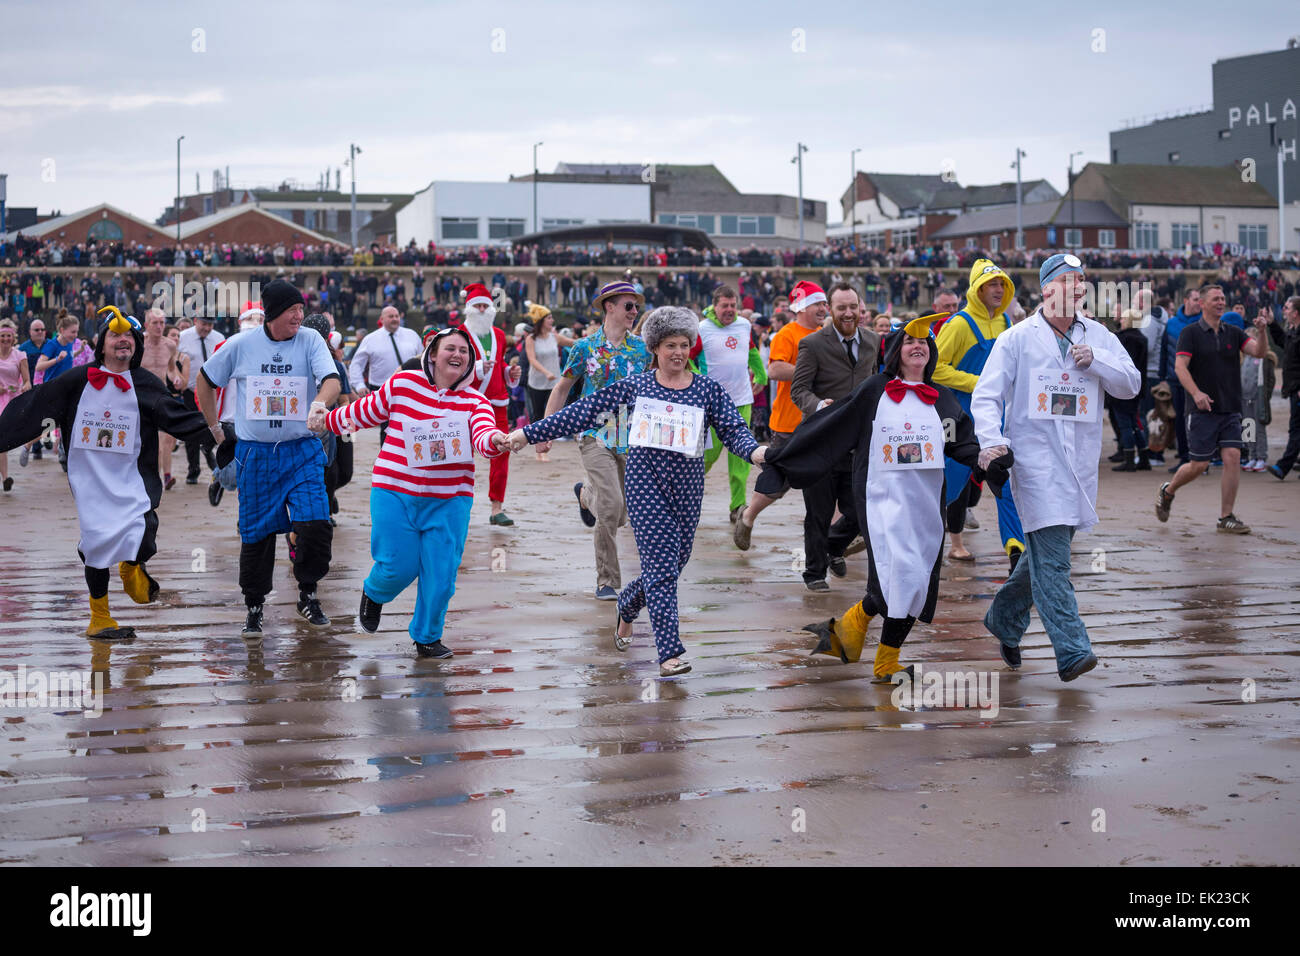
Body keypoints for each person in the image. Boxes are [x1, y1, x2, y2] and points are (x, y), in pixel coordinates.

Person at [508, 306, 766, 677]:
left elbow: (733, 429)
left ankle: (627, 605)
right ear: (655, 349)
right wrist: (527, 433)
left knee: (670, 567)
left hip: (688, 489)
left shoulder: (708, 390)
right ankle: (669, 654)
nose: (677, 352)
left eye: (683, 345)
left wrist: (756, 452)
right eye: (669, 346)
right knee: (661, 568)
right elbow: (582, 411)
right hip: (645, 485)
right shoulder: (638, 386)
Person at [758, 315, 984, 679]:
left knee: (912, 580)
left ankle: (850, 631)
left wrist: (986, 460)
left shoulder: (940, 399)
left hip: (925, 506)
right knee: (903, 576)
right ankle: (885, 661)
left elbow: (962, 444)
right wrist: (781, 456)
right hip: (882, 501)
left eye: (924, 343)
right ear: (896, 351)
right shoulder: (874, 391)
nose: (917, 347)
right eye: (910, 342)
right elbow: (831, 427)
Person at [972, 253, 1141, 682]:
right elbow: (987, 396)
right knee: (1054, 563)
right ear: (1047, 289)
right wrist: (993, 444)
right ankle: (1072, 649)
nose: (1077, 287)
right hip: (1034, 463)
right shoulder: (1018, 339)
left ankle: (1004, 619)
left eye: (1082, 280)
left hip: (1079, 465)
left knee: (1043, 557)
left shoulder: (1097, 334)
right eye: (1068, 280)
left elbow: (1131, 383)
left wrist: (1097, 361)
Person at [0, 307, 214, 639]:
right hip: (90, 480)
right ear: (101, 343)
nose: (122, 341)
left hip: (133, 476)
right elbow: (37, 407)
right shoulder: (76, 379)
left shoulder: (145, 382)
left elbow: (176, 416)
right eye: (115, 335)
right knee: (98, 543)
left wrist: (222, 434)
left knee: (143, 525)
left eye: (129, 335)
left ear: (137, 343)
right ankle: (100, 618)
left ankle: (131, 567)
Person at [310, 325, 507, 658]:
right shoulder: (403, 384)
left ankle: (427, 637)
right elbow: (364, 412)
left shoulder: (476, 402)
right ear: (432, 354)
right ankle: (374, 592)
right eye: (451, 348)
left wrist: (496, 441)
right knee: (397, 567)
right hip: (394, 491)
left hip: (449, 500)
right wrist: (326, 420)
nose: (458, 354)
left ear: (471, 362)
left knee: (441, 574)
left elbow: (484, 434)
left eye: (464, 351)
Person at [196, 278, 342, 637]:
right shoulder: (242, 344)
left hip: (303, 450)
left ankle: (307, 593)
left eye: (300, 310)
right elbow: (204, 380)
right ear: (273, 313)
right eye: (292, 310)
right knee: (256, 534)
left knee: (315, 524)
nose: (299, 316)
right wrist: (216, 430)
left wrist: (320, 404)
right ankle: (255, 606)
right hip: (256, 455)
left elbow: (332, 380)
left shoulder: (310, 340)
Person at [540, 281, 651, 601]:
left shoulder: (643, 349)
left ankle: (584, 495)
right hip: (594, 436)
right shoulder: (584, 348)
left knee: (624, 512)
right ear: (609, 306)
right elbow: (562, 389)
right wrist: (546, 430)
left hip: (632, 438)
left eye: (636, 307)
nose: (634, 312)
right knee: (611, 506)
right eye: (628, 306)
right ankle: (608, 580)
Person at [1154, 285, 1272, 533]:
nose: (1221, 302)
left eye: (1223, 299)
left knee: (1232, 457)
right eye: (1215, 299)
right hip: (1201, 410)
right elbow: (1180, 367)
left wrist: (1262, 331)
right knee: (1199, 465)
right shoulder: (1191, 333)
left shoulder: (1234, 332)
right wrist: (1196, 393)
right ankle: (1169, 490)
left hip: (1230, 408)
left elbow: (1259, 352)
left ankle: (1226, 517)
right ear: (1203, 304)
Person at [932, 258, 1026, 569]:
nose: (999, 290)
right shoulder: (958, 324)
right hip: (960, 419)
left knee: (1006, 481)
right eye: (992, 285)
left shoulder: (1006, 325)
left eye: (1002, 284)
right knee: (949, 484)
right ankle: (909, 532)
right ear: (977, 290)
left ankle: (1016, 549)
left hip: (998, 417)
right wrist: (980, 384)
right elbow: (934, 368)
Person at [790, 282, 881, 591]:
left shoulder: (874, 341)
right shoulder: (813, 344)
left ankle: (832, 546)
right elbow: (798, 390)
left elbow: (878, 382)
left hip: (858, 442)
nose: (848, 313)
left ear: (860, 308)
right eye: (841, 307)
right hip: (821, 440)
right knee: (819, 511)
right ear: (830, 309)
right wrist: (818, 406)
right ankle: (814, 573)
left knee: (860, 508)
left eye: (853, 306)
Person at [733, 280, 826, 550]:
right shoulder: (787, 333)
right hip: (788, 423)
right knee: (777, 482)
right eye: (818, 304)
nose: (823, 309)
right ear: (803, 307)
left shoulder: (825, 334)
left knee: (827, 482)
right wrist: (811, 371)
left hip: (820, 421)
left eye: (824, 304)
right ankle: (748, 516)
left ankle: (832, 543)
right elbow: (774, 370)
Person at [692, 284, 768, 521]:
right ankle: (683, 496)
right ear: (714, 306)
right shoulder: (702, 328)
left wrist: (761, 374)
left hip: (742, 400)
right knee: (706, 458)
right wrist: (695, 383)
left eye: (733, 305)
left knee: (741, 459)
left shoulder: (744, 325)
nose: (729, 310)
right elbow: (689, 360)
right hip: (712, 405)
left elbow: (752, 351)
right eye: (725, 305)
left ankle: (737, 506)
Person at [460, 283, 521, 525]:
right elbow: (451, 369)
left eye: (486, 305)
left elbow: (499, 363)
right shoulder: (459, 335)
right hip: (468, 402)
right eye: (478, 306)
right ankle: (459, 504)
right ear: (469, 308)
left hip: (497, 401)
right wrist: (475, 369)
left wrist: (509, 373)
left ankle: (497, 507)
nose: (483, 309)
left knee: (502, 450)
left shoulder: (498, 335)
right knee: (462, 453)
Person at [347, 304, 423, 446]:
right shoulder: (370, 338)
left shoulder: (412, 335)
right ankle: (387, 459)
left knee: (412, 425)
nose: (395, 319)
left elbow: (422, 359)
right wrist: (359, 385)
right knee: (387, 428)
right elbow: (356, 364)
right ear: (382, 319)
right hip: (382, 388)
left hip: (411, 387)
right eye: (391, 316)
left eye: (397, 316)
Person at [176, 312, 227, 483]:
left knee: (216, 427)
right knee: (191, 432)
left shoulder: (219, 337)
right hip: (190, 391)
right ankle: (193, 470)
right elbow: (173, 361)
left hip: (213, 392)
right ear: (195, 321)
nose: (206, 328)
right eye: (203, 324)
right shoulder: (182, 337)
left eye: (210, 325)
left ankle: (210, 453)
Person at [139, 309, 185, 489]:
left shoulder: (170, 345)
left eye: (162, 323)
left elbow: (172, 368)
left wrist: (176, 377)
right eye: (155, 323)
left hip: (161, 395)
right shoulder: (138, 343)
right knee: (145, 442)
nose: (159, 327)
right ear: (146, 325)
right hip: (141, 398)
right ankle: (148, 477)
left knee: (165, 440)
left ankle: (165, 476)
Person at [523, 304, 568, 461]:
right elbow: (531, 359)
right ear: (541, 321)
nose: (552, 320)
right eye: (549, 318)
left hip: (553, 383)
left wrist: (593, 339)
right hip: (536, 382)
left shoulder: (554, 337)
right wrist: (545, 372)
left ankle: (546, 445)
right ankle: (539, 451)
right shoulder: (531, 339)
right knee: (537, 415)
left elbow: (574, 342)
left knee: (551, 416)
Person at [1111, 308, 1152, 471]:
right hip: (1137, 386)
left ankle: (1129, 459)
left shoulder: (1124, 338)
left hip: (1122, 386)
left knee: (1125, 424)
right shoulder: (1142, 338)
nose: (1120, 320)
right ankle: (1144, 457)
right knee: (1134, 423)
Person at [1265, 296, 1300, 480]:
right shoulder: (1293, 331)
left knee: (1296, 429)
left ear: (1295, 313)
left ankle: (1282, 467)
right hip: (1294, 387)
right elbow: (1282, 341)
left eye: (1286, 308)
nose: (1284, 310)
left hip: (1298, 388)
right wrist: (1271, 323)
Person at [0, 319, 33, 490]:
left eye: (8, 336)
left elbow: (27, 381)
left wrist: (25, 386)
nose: (5, 339)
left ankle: (28, 447)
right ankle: (6, 478)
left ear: (13, 338)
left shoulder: (20, 355)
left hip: (13, 400)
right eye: (2, 336)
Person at [1238, 321, 1275, 472]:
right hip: (1245, 398)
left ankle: (1261, 457)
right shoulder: (1243, 359)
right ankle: (1251, 456)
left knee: (1259, 429)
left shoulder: (1264, 359)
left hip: (1258, 398)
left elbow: (1270, 380)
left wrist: (1265, 396)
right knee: (1248, 428)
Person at [17, 317, 48, 464]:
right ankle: (36, 446)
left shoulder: (50, 345)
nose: (40, 332)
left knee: (50, 416)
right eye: (37, 330)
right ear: (30, 332)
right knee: (34, 418)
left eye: (42, 329)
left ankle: (46, 439)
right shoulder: (23, 348)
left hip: (48, 386)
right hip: (30, 388)